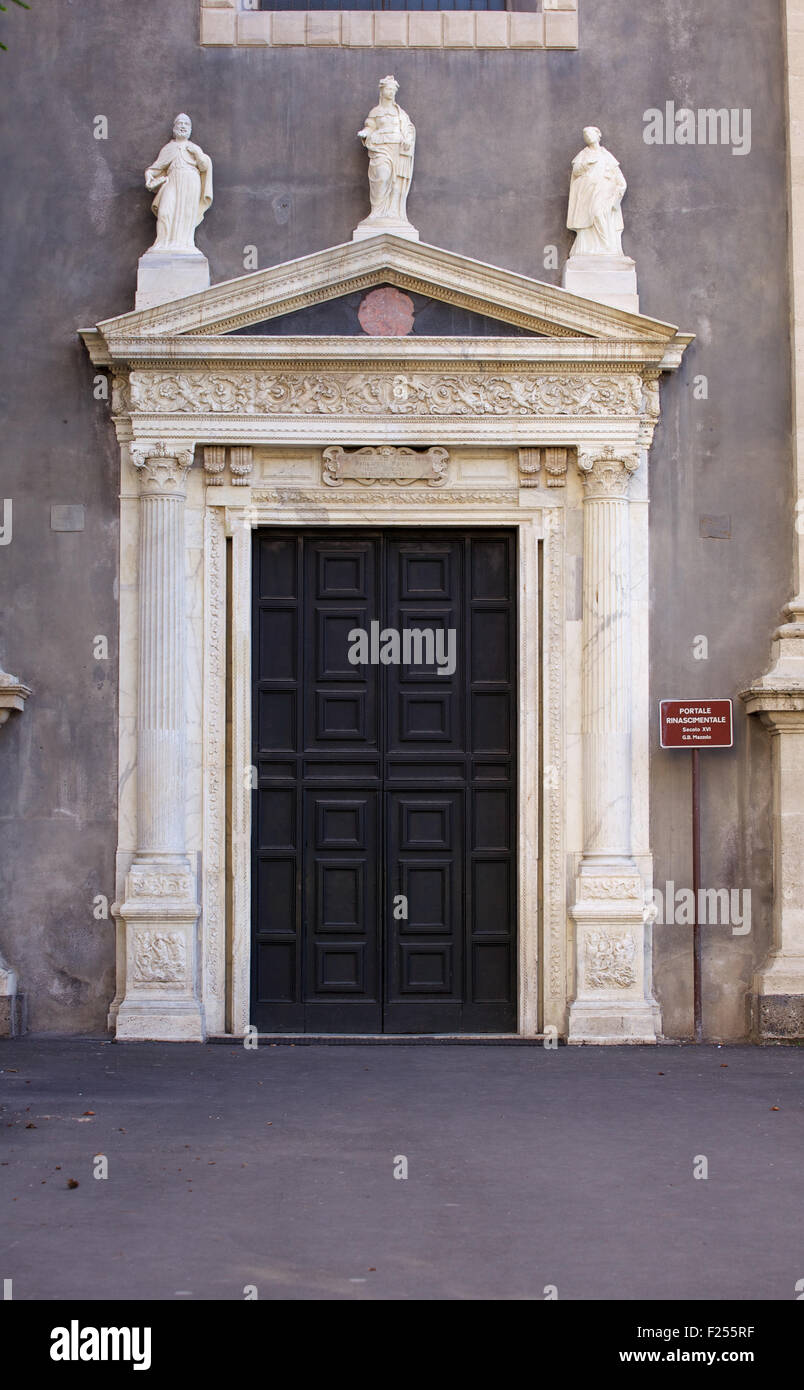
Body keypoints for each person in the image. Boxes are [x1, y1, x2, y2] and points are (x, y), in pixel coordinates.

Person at [145, 113, 213, 253]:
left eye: (186, 124)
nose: (183, 126)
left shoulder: (194, 148)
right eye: (180, 123)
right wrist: (149, 177)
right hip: (173, 181)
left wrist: (197, 154)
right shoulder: (168, 148)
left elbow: (204, 167)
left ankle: (186, 244)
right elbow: (155, 168)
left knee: (188, 213)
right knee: (164, 212)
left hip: (191, 182)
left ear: (190, 129)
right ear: (174, 128)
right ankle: (163, 242)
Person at [358, 76, 416, 227]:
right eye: (388, 89)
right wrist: (365, 132)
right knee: (382, 175)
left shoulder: (400, 114)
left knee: (396, 181)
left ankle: (393, 213)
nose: (390, 92)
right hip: (380, 148)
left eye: (392, 90)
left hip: (397, 149)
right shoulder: (376, 111)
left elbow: (409, 129)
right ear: (382, 91)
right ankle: (377, 212)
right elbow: (370, 126)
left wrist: (408, 140)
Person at [567, 126, 626, 257]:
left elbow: (617, 175)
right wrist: (585, 165)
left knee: (598, 213)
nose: (587, 136)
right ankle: (602, 247)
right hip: (589, 192)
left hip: (605, 191)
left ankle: (607, 246)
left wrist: (620, 189)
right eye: (585, 134)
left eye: (590, 133)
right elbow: (576, 171)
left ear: (598, 135)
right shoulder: (584, 154)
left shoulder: (605, 155)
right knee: (593, 214)